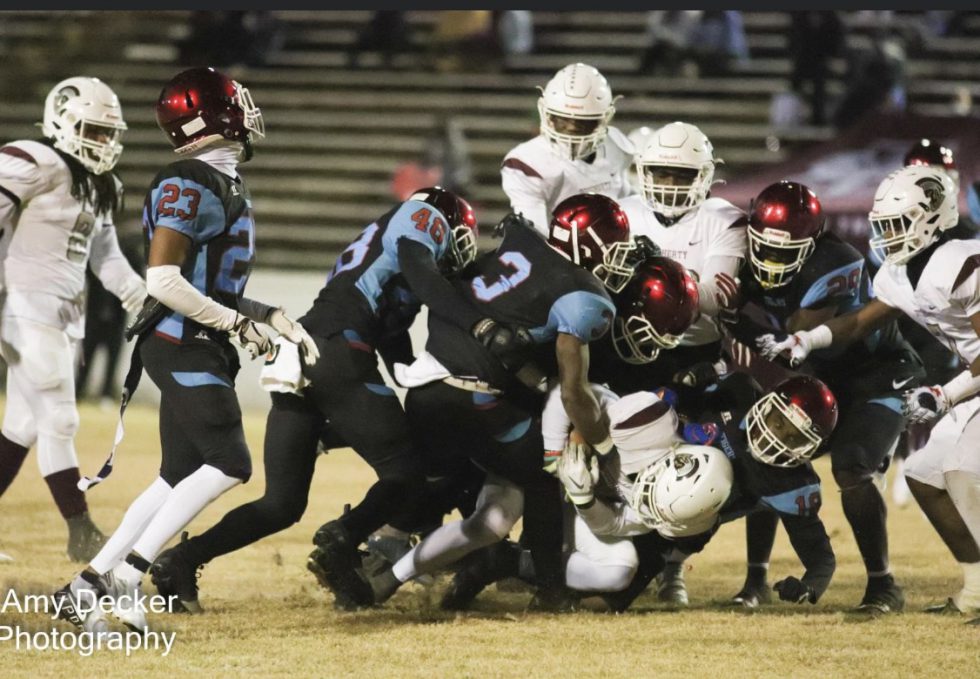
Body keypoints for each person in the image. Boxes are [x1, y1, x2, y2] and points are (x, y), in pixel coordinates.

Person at [52, 66, 316, 633]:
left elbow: (211, 284)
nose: (245, 111)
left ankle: (86, 585)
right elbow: (164, 280)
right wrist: (238, 327)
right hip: (181, 340)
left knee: (177, 474)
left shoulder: (219, 180)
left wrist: (269, 316)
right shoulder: (188, 180)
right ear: (207, 115)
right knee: (231, 463)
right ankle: (129, 574)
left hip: (192, 338)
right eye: (235, 102)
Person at [150, 187, 490, 613]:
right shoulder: (421, 217)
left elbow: (394, 341)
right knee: (407, 472)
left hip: (304, 351)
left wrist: (420, 382)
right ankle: (342, 542)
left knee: (281, 504)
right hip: (338, 350)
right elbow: (421, 272)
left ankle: (181, 561)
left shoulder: (382, 260)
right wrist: (477, 323)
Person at [361, 195, 632, 611]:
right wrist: (607, 451)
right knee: (541, 478)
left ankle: (376, 557)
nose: (617, 259)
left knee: (447, 485)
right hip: (476, 397)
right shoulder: (583, 296)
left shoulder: (519, 242)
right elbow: (574, 394)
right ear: (588, 242)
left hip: (426, 386)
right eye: (613, 248)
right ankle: (550, 592)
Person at [759, 165, 980, 618]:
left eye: (899, 225)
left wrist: (946, 395)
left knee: (961, 468)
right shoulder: (901, 275)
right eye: (884, 226)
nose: (889, 236)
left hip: (970, 384)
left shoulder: (961, 261)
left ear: (932, 218)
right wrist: (808, 340)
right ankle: (977, 588)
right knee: (923, 474)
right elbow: (857, 322)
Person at [726, 181, 924, 613]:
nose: (772, 260)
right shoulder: (740, 254)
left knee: (851, 465)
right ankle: (755, 579)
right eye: (766, 248)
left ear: (812, 242)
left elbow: (807, 340)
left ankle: (882, 584)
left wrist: (740, 325)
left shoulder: (837, 263)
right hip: (824, 379)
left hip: (877, 374)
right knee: (766, 448)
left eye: (785, 250)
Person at [0, 76, 144, 562]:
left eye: (109, 133)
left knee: (22, 425)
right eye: (94, 130)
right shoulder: (34, 160)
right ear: (62, 120)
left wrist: (139, 298)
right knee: (60, 418)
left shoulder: (100, 182)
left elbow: (105, 257)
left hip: (62, 316)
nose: (103, 142)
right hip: (22, 306)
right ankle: (81, 530)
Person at [501, 63, 634, 236]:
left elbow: (629, 205)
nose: (572, 128)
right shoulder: (528, 161)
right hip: (557, 258)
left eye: (583, 121)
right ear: (547, 114)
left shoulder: (616, 145)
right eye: (562, 119)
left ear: (604, 118)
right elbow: (534, 236)